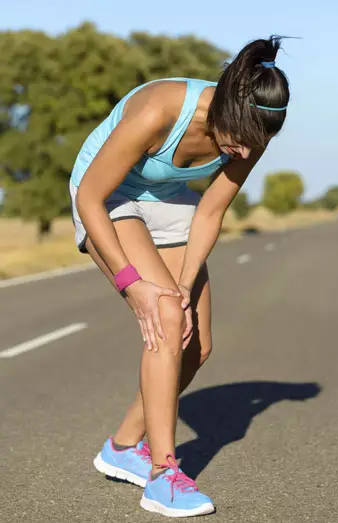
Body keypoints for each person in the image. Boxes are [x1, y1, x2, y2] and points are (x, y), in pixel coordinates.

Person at [69, 35, 290, 517]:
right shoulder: (159, 111)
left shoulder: (251, 130)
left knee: (197, 341)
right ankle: (163, 473)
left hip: (167, 202)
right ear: (226, 104)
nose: (243, 151)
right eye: (239, 139)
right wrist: (134, 284)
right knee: (164, 313)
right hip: (106, 196)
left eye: (256, 144)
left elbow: (210, 212)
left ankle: (124, 447)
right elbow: (89, 197)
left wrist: (184, 287)